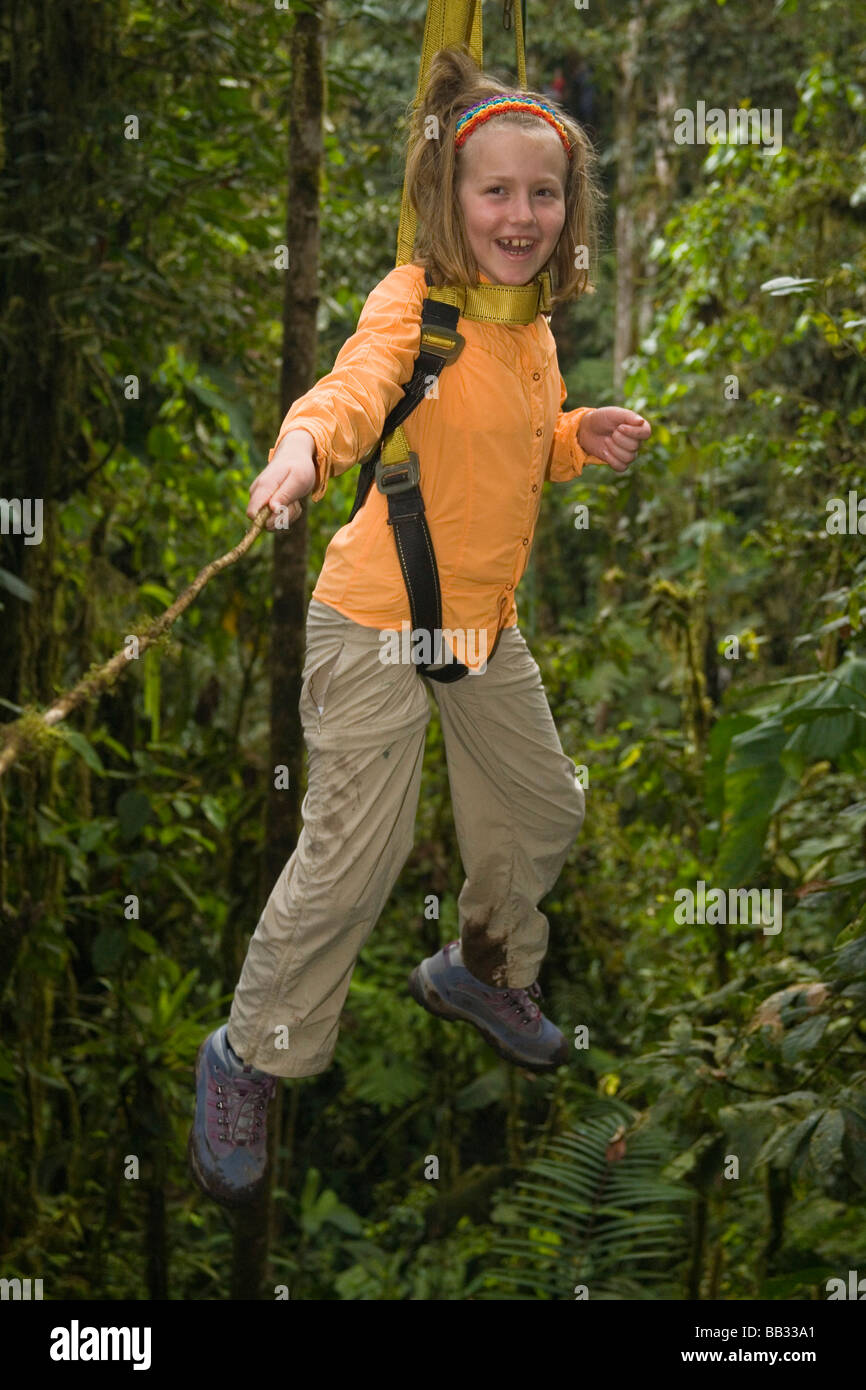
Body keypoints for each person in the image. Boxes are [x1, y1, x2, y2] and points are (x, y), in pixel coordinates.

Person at [188, 44, 651, 1206]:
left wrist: (570, 434)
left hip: (482, 624)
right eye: (494, 190)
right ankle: (251, 1051)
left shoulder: (530, 325)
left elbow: (498, 448)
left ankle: (481, 966)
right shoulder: (414, 300)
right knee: (356, 855)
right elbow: (354, 388)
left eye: (542, 193)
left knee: (544, 804)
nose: (520, 213)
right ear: (447, 198)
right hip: (374, 618)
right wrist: (299, 448)